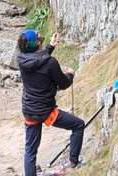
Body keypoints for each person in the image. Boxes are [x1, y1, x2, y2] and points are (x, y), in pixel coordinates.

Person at [17, 29, 85, 175]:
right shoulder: (50, 63)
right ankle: (74, 162)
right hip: (46, 111)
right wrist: (70, 74)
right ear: (37, 44)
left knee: (30, 151)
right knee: (78, 125)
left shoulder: (21, 59)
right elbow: (63, 84)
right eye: (39, 39)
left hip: (29, 111)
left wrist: (51, 46)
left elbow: (37, 61)